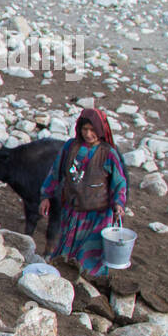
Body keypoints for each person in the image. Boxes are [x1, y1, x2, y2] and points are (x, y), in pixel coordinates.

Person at [38, 108, 128, 278]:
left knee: (90, 257)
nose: (88, 134)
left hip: (98, 216)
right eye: (84, 129)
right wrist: (46, 196)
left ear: (101, 130)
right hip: (72, 211)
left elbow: (119, 182)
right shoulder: (71, 147)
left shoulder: (108, 154)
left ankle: (90, 286)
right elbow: (55, 172)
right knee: (66, 254)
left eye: (93, 130)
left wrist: (119, 203)